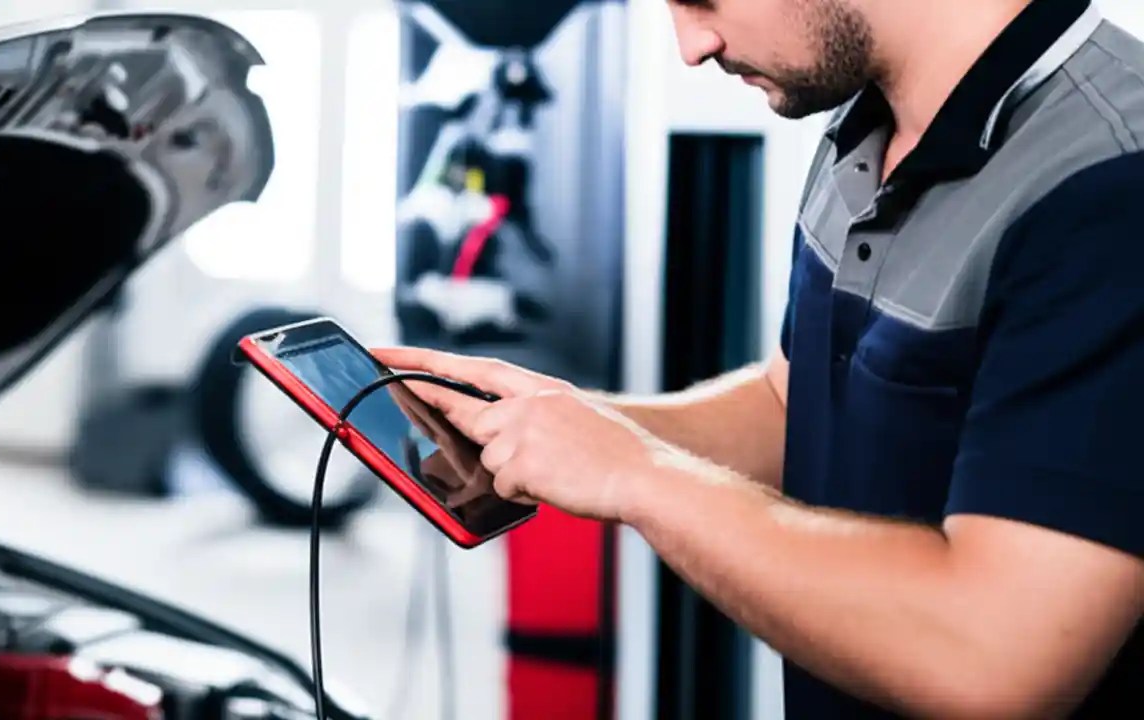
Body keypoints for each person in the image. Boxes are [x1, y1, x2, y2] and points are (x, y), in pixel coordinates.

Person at [374, 0, 1144, 716]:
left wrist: (636, 476)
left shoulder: (1110, 186)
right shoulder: (867, 123)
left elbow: (998, 658)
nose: (691, 47)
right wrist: (564, 429)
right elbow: (794, 405)